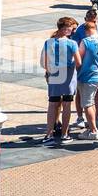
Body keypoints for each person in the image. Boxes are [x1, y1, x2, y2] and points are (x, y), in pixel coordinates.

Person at [41, 16, 81, 144]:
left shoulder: (49, 42)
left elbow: (45, 62)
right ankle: (64, 134)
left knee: (52, 104)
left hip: (54, 75)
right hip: (68, 77)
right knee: (67, 104)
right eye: (69, 27)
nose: (71, 30)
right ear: (64, 29)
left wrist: (48, 72)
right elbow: (78, 62)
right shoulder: (72, 43)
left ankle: (49, 134)